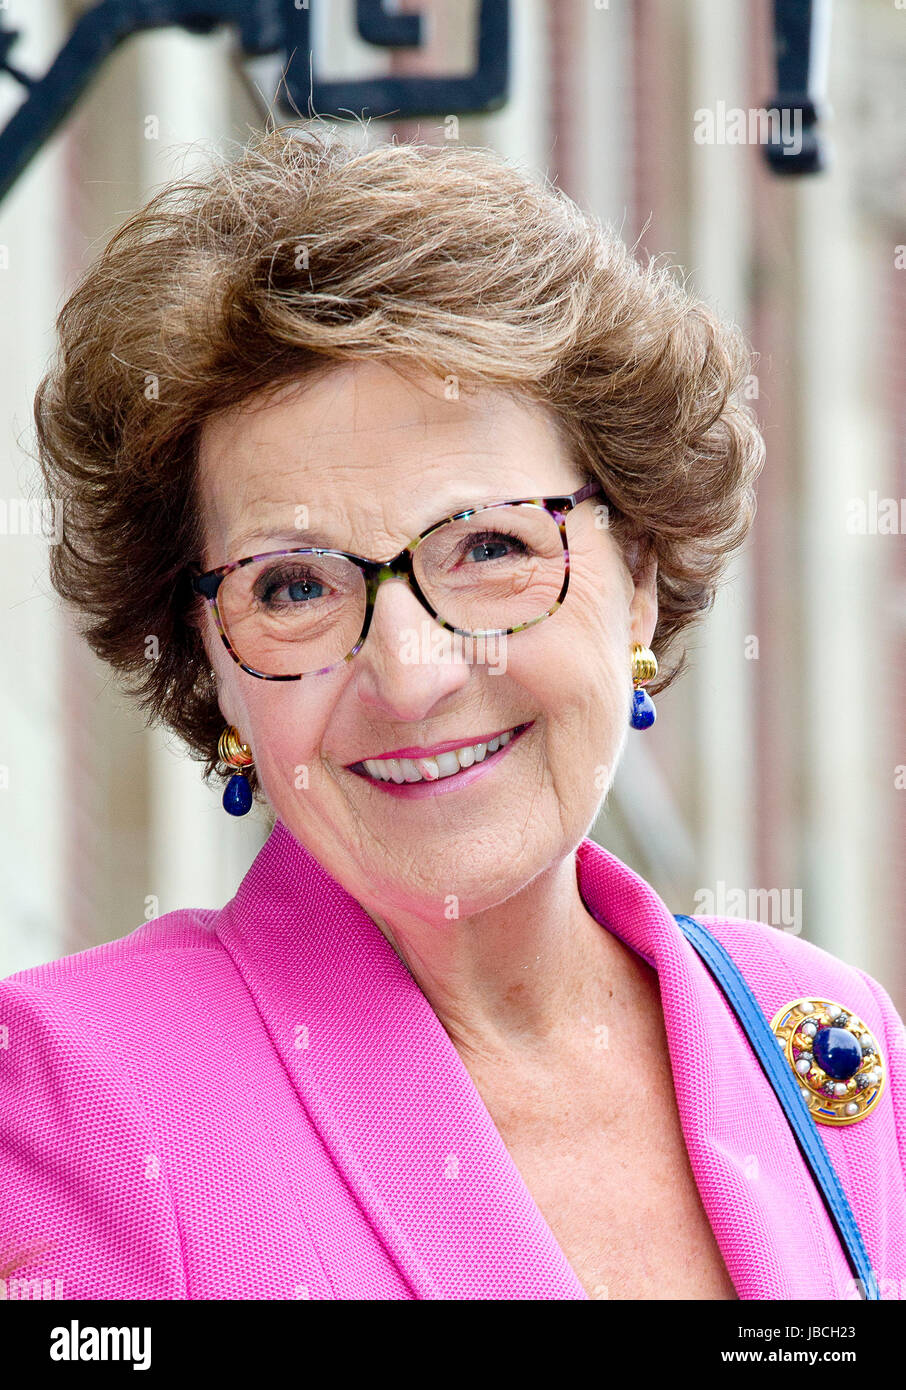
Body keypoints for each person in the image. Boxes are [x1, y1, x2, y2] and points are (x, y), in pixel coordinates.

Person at [1, 126, 903, 1301]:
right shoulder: (75, 1091)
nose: (412, 672)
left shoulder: (815, 1034)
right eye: (294, 586)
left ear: (636, 575)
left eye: (488, 547)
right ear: (208, 658)